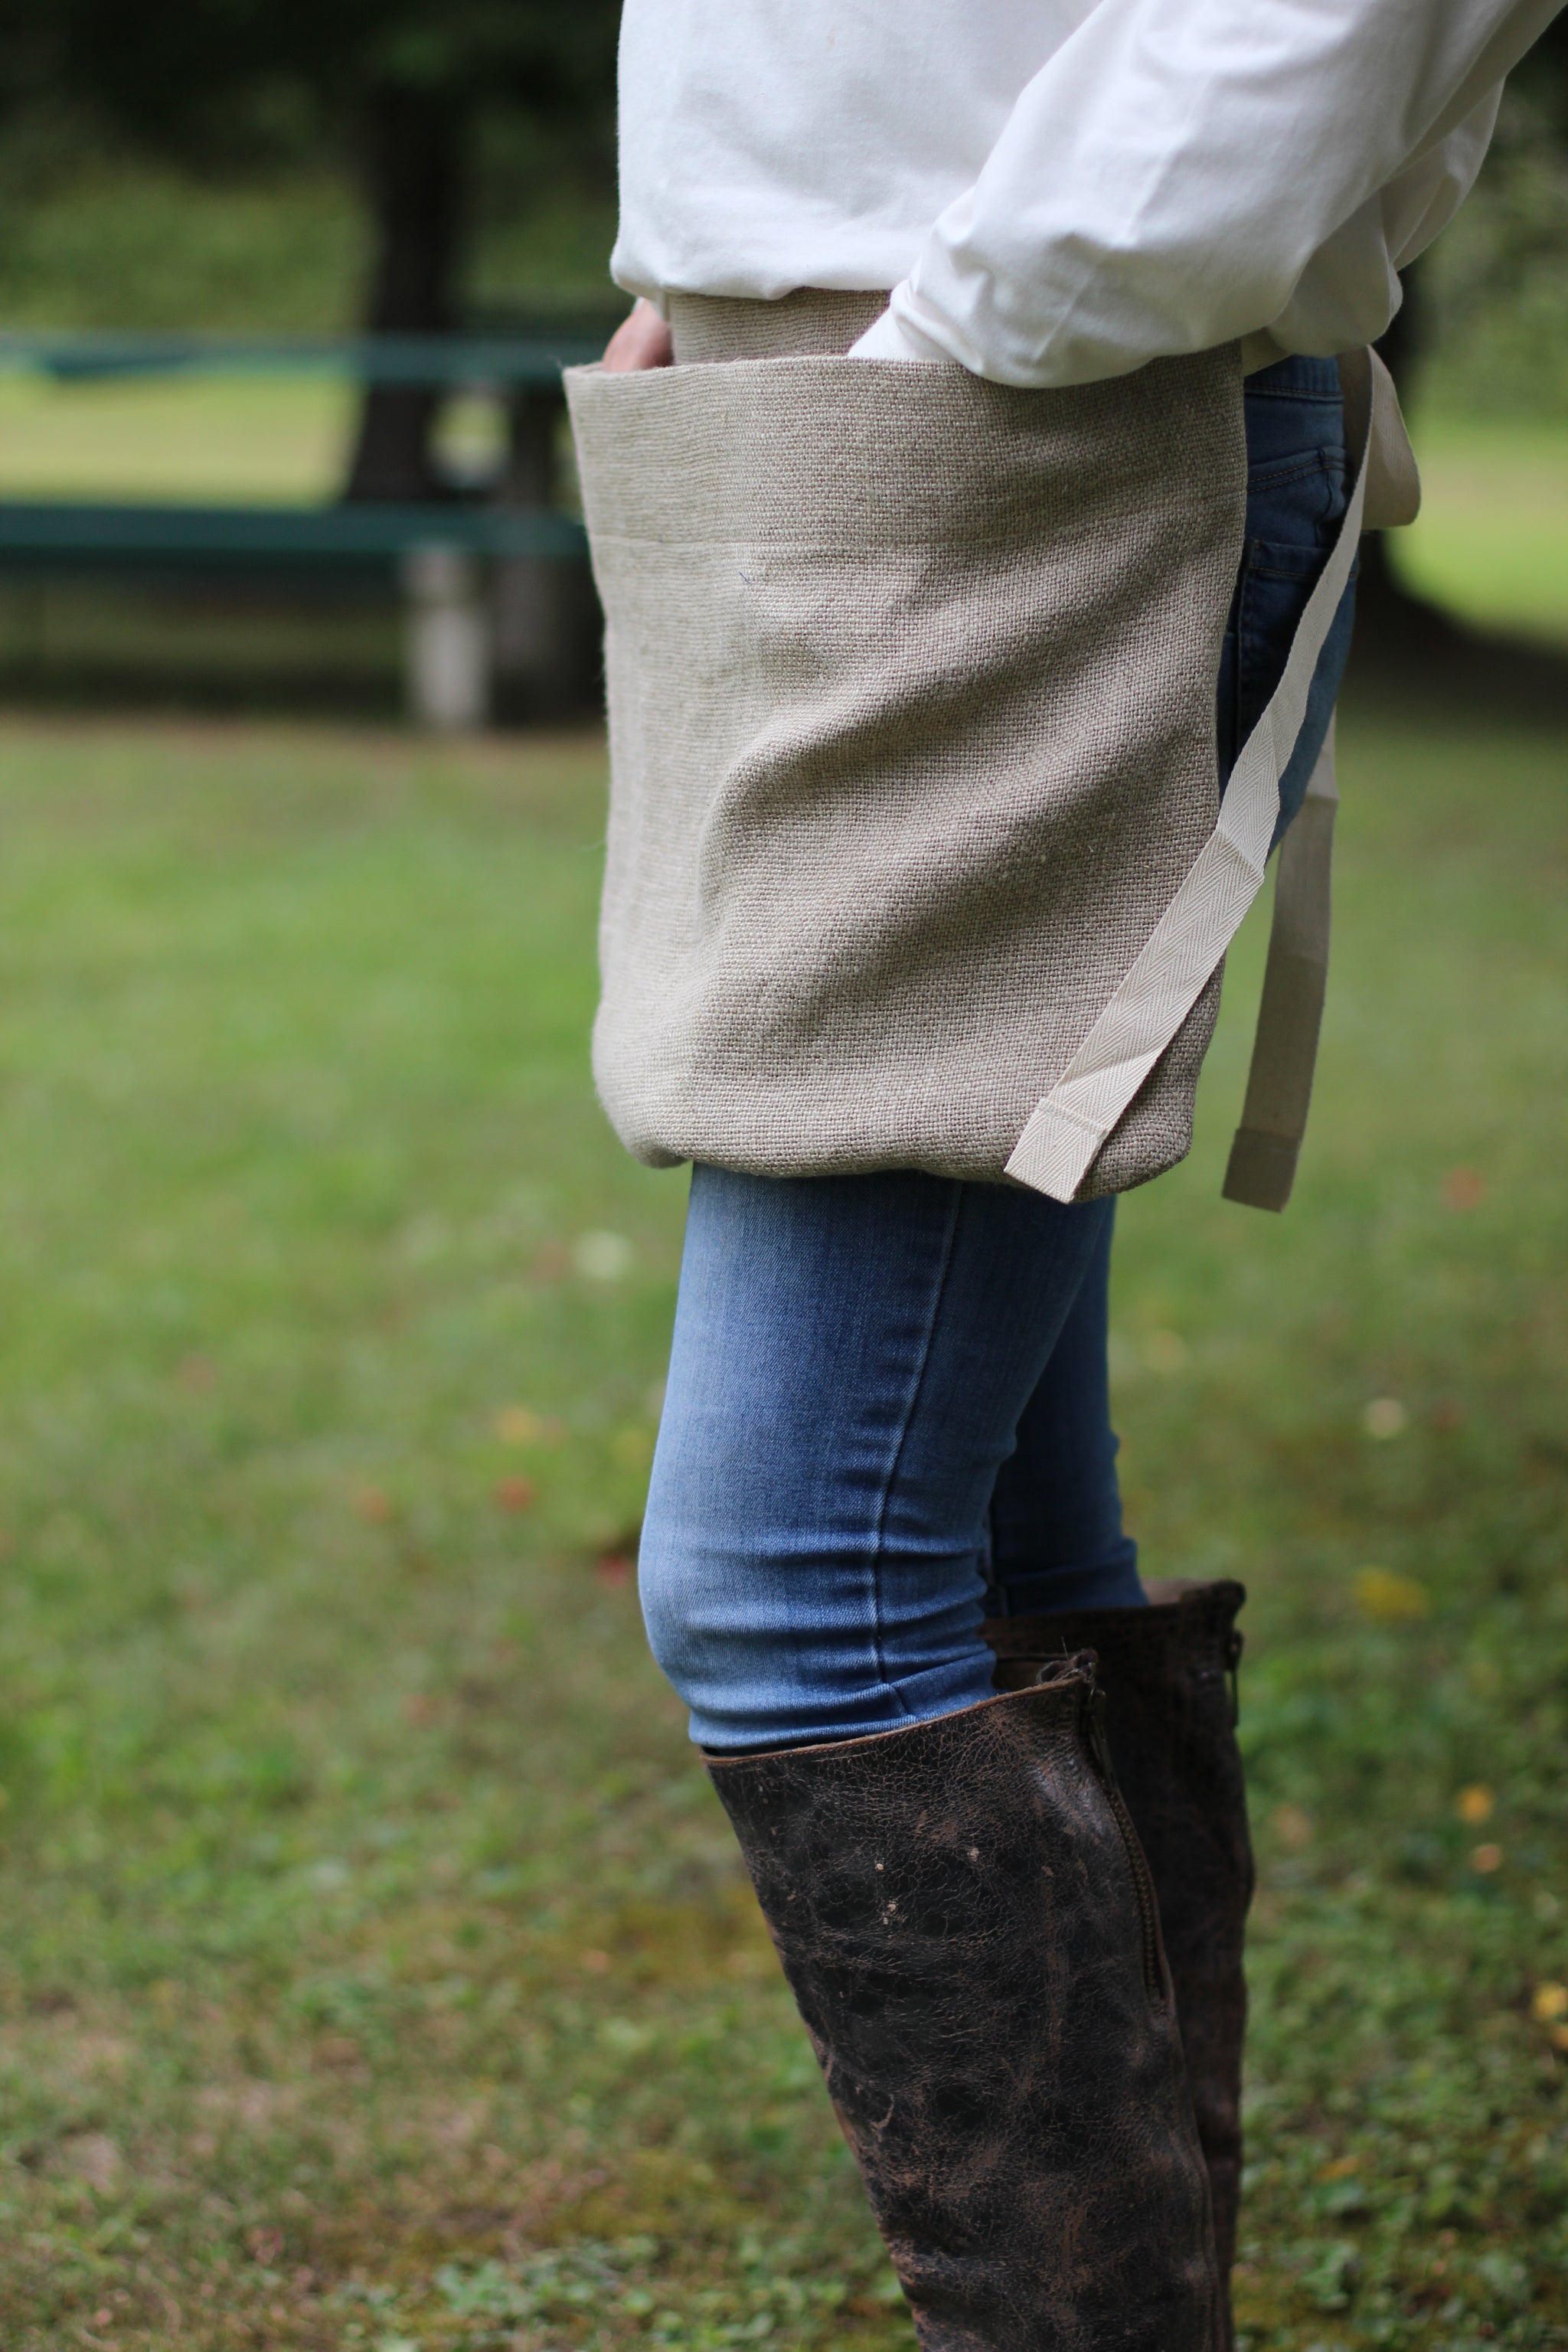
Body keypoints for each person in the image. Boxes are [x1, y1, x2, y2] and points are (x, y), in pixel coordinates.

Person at [569, 4, 1560, 2343]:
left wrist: (950, 335)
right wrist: (721, 275)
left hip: (1030, 416)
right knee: (1001, 1529)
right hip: (883, 396)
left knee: (787, 1588)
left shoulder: (1012, 348)